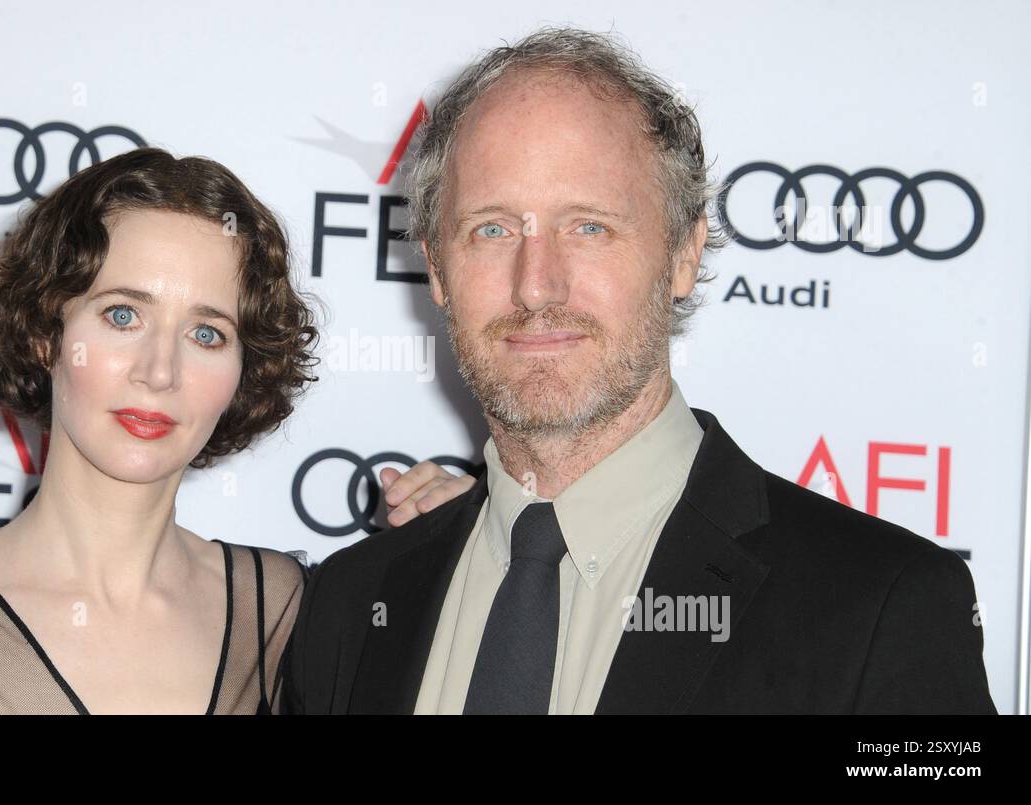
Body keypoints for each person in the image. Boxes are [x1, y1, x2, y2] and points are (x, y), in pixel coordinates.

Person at [279, 26, 999, 714]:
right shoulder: (350, 603)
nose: (537, 285)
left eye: (588, 226)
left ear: (685, 253)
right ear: (436, 268)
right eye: (492, 229)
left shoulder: (880, 608)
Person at [0, 146, 472, 715]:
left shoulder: (290, 614)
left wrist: (459, 561)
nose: (160, 370)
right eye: (123, 315)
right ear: (45, 333)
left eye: (207, 333)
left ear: (244, 368)